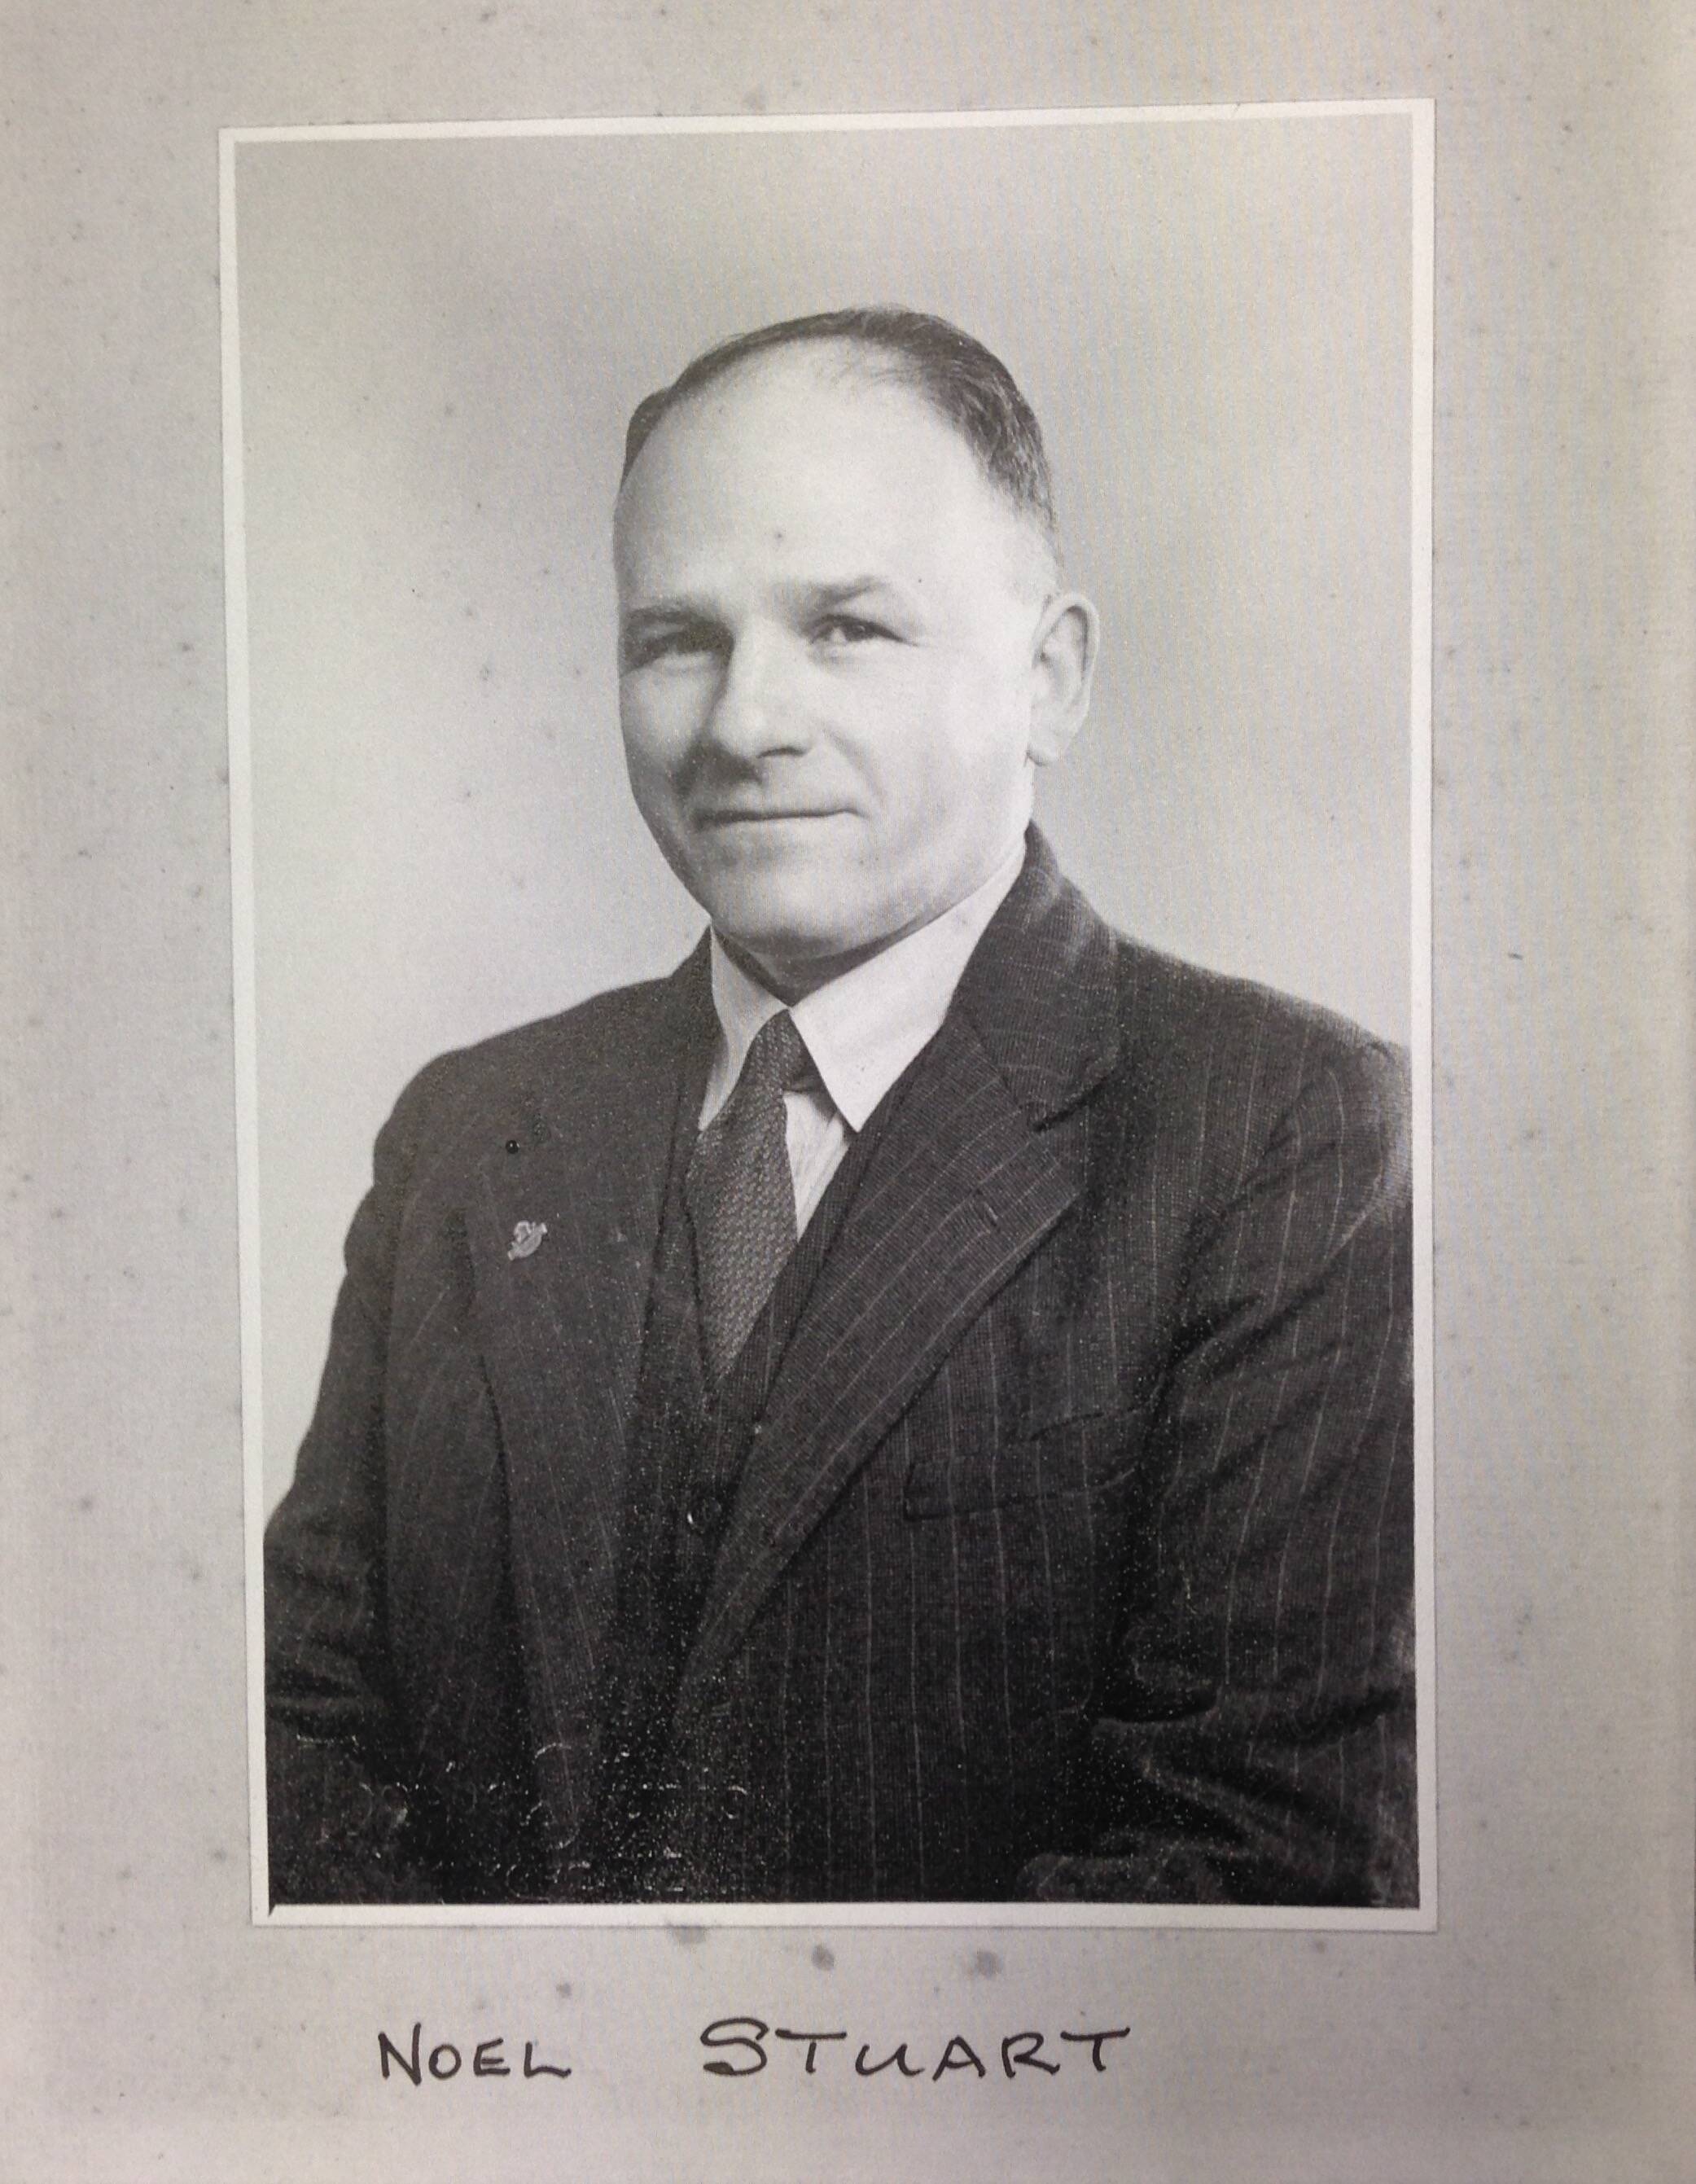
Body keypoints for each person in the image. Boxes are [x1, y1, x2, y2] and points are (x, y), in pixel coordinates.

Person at [264, 306, 1416, 1907]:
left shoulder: (1280, 1129)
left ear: (1049, 678)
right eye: (676, 638)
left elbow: (1257, 1862)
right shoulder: (472, 1132)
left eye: (849, 630)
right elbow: (293, 1753)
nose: (743, 725)